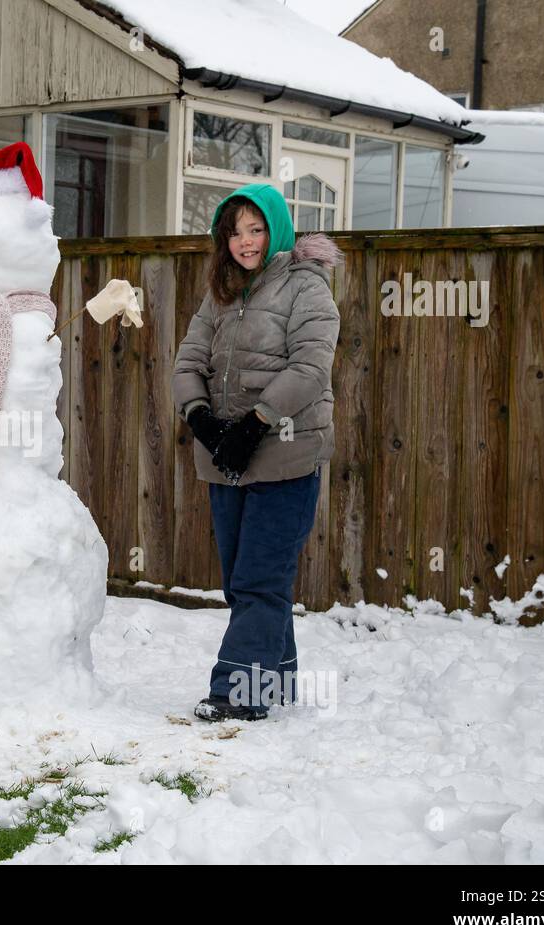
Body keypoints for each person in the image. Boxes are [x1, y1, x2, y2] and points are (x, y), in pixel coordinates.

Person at [171, 183, 343, 721]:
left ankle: (239, 691)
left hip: (286, 455)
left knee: (258, 578)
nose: (245, 242)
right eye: (235, 232)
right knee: (243, 580)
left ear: (277, 230)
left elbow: (310, 369)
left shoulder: (306, 288)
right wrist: (200, 418)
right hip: (226, 457)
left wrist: (255, 423)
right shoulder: (221, 291)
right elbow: (188, 361)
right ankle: (280, 673)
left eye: (256, 228)